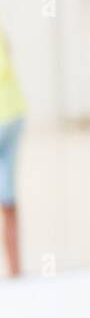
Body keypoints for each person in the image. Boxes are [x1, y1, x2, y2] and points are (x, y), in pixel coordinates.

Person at [0, 20, 25, 276]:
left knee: (6, 198)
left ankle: (15, 272)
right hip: (14, 114)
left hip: (6, 118)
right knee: (6, 198)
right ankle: (15, 271)